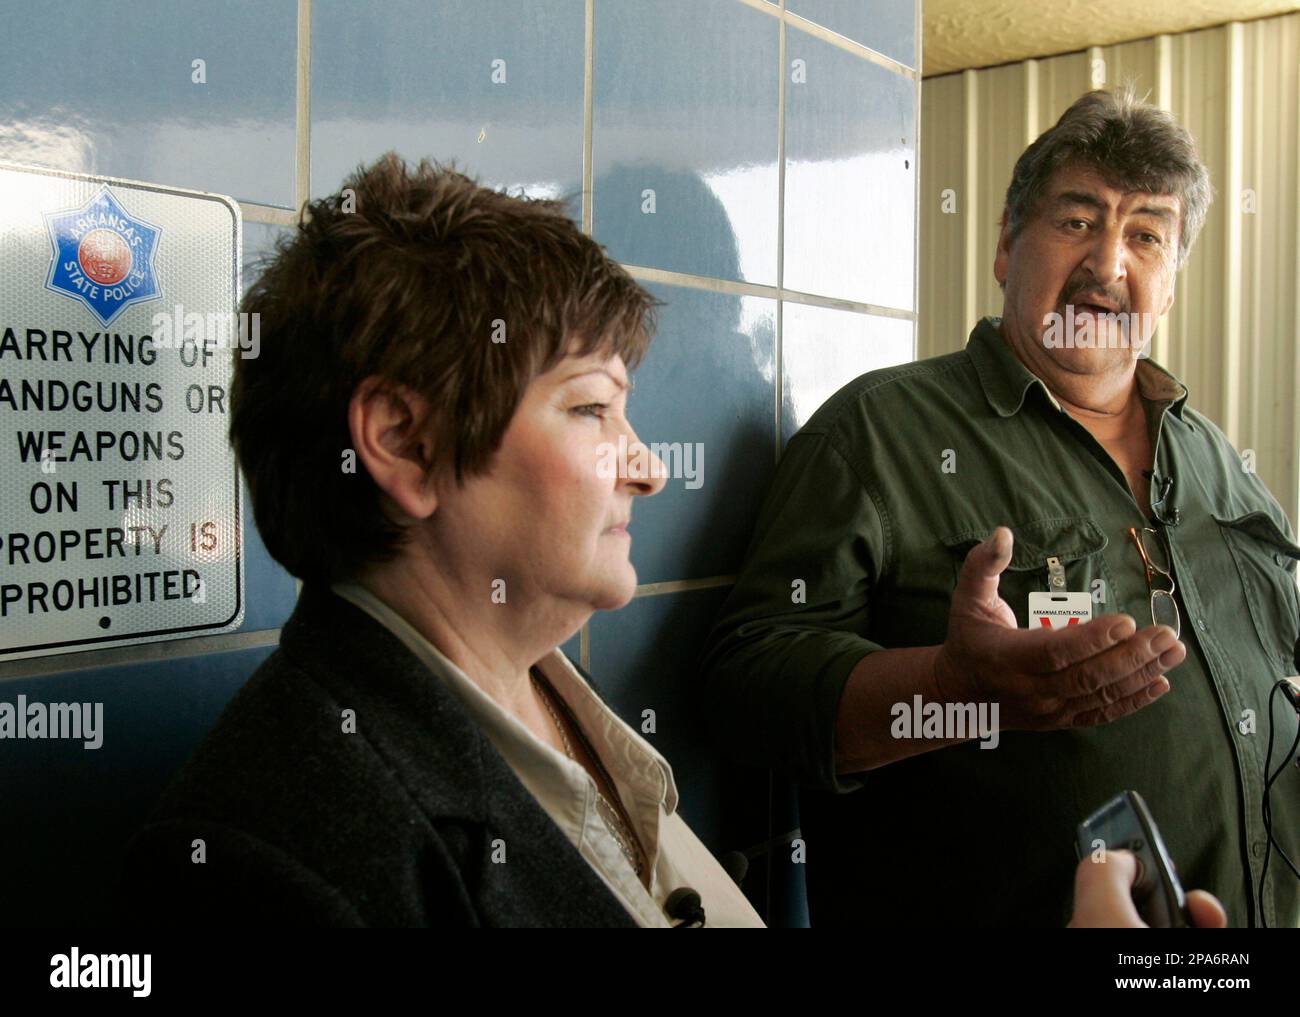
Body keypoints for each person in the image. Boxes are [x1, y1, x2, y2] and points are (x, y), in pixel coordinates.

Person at [118, 152, 1218, 928]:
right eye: (595, 411)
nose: (647, 465)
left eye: (1149, 232)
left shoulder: (565, 719)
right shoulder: (269, 856)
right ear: (402, 445)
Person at [701, 87, 1298, 927]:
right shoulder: (878, 433)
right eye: (1077, 221)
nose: (1108, 265)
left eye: (1146, 235)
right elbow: (745, 690)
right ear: (1005, 250)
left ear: (1170, 285)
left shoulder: (1214, 459)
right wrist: (954, 690)